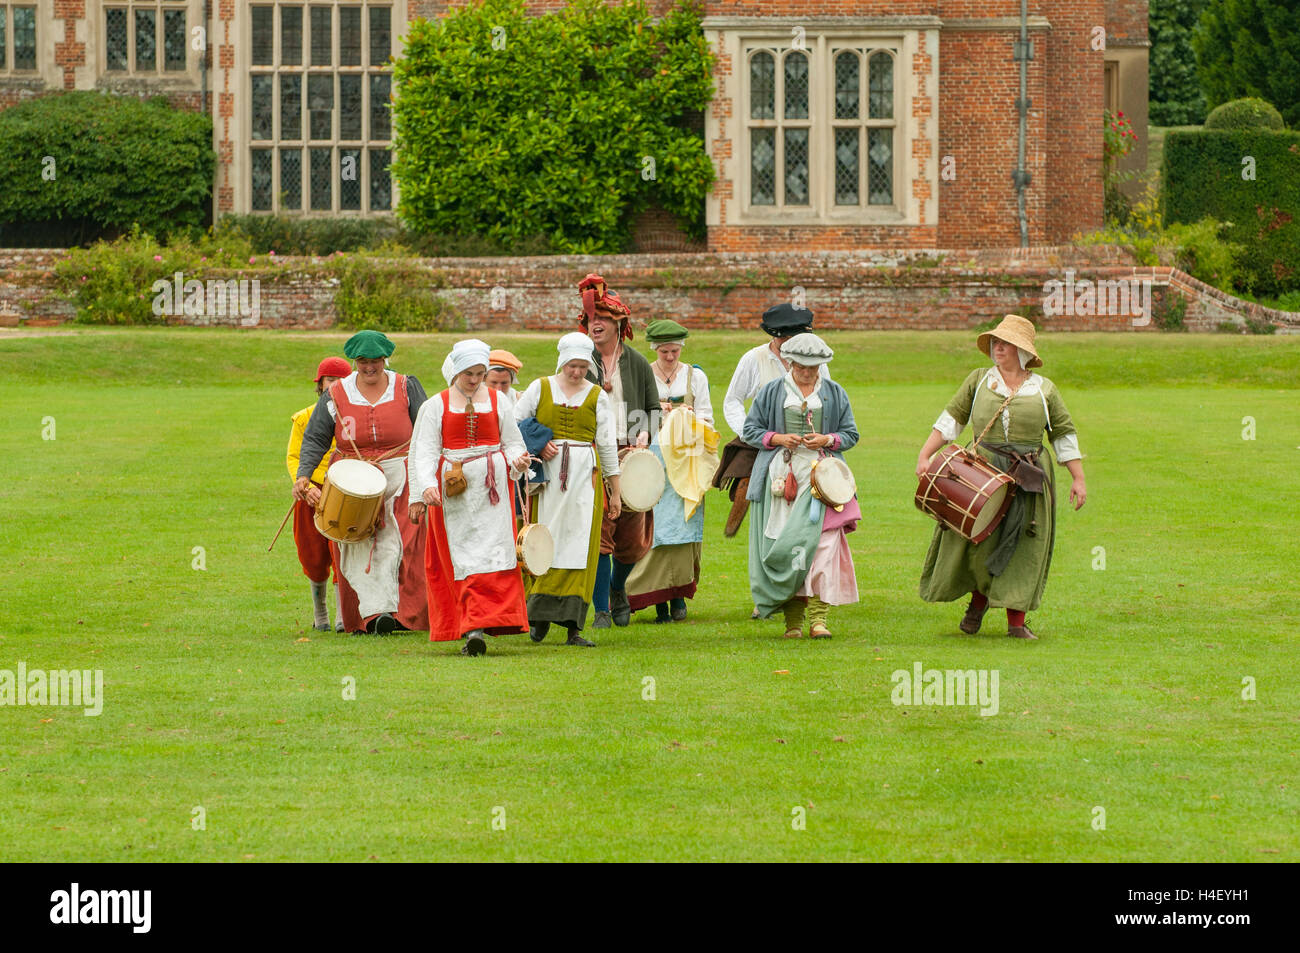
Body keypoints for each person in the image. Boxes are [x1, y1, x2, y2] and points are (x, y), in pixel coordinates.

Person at [916, 315, 1086, 639]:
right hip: (981, 472)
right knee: (979, 541)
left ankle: (1016, 623)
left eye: (1006, 343)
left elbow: (1063, 435)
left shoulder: (1044, 390)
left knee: (1024, 545)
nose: (998, 348)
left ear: (1022, 351)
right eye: (996, 342)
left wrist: (1078, 479)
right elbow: (950, 421)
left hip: (1028, 476)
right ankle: (977, 604)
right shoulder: (979, 380)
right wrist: (925, 455)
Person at [293, 330, 429, 635]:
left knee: (406, 542)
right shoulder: (336, 393)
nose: (370, 367)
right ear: (355, 361)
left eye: (376, 361)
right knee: (358, 544)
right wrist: (304, 475)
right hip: (353, 480)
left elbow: (429, 429)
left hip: (402, 475)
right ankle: (370, 616)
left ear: (385, 359)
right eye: (363, 361)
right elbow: (315, 437)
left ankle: (404, 616)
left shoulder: (407, 386)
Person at [409, 339, 531, 656]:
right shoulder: (435, 405)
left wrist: (518, 460)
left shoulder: (499, 401)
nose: (475, 380)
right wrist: (425, 487)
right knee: (462, 557)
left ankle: (485, 623)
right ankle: (471, 628)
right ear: (455, 371)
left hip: (492, 489)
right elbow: (424, 451)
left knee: (492, 553)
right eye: (468, 374)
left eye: (479, 373)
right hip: (454, 491)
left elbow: (513, 442)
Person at [716, 302, 831, 618]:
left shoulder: (815, 358)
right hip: (766, 449)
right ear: (776, 336)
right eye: (787, 339)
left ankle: (804, 590)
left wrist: (823, 437)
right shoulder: (753, 359)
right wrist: (752, 435)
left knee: (809, 526)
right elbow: (732, 402)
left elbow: (828, 399)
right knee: (770, 525)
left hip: (809, 453)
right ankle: (766, 595)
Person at [743, 333, 859, 639]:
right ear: (790, 362)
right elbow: (750, 430)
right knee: (786, 546)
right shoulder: (770, 392)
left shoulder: (834, 393)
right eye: (801, 366)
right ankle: (792, 623)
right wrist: (778, 438)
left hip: (824, 480)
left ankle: (819, 619)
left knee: (822, 547)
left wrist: (827, 439)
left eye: (813, 367)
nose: (807, 371)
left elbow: (850, 433)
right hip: (781, 479)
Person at [512, 332, 622, 646]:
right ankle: (539, 617)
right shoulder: (540, 387)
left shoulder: (597, 395)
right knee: (543, 540)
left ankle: (574, 626)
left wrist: (615, 490)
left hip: (583, 478)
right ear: (562, 362)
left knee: (579, 544)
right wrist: (539, 441)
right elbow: (514, 423)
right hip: (546, 478)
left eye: (582, 366)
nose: (576, 372)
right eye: (572, 366)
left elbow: (607, 444)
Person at [625, 320, 719, 623]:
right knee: (654, 527)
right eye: (664, 351)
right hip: (652, 456)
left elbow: (707, 419)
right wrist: (659, 412)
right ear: (655, 349)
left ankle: (678, 597)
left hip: (686, 459)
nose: (670, 356)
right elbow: (633, 420)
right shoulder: (643, 374)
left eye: (675, 350)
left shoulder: (695, 377)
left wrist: (690, 417)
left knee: (683, 527)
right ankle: (656, 601)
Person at [578, 274, 656, 628]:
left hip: (631, 453)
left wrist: (644, 436)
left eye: (603, 320)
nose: (596, 325)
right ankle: (602, 612)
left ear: (619, 323)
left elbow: (653, 411)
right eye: (591, 320)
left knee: (632, 541)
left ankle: (617, 587)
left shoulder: (638, 362)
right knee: (601, 537)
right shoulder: (578, 362)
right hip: (593, 456)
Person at [286, 356, 351, 631]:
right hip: (312, 493)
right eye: (330, 380)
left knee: (342, 551)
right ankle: (320, 612)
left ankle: (342, 615)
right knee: (312, 553)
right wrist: (306, 486)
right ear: (321, 384)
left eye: (341, 381)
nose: (335, 385)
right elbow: (294, 456)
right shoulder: (304, 417)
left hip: (345, 491)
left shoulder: (353, 417)